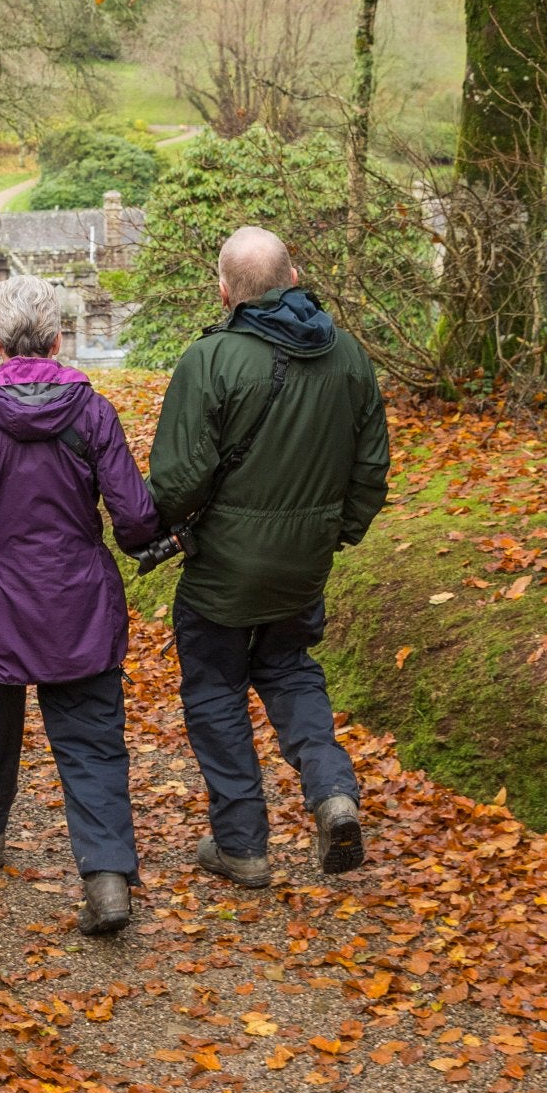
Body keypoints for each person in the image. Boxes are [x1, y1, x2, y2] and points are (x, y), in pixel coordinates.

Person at [0, 275, 161, 935]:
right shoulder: (93, 414)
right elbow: (134, 516)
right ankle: (107, 876)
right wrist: (155, 534)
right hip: (79, 602)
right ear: (57, 340)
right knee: (92, 743)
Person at [146, 226, 389, 889]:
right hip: (303, 566)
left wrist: (153, 528)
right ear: (294, 277)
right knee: (289, 669)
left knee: (214, 690)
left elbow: (178, 481)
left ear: (224, 292)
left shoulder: (210, 360)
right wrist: (333, 534)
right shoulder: (349, 356)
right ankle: (333, 793)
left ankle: (242, 847)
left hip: (221, 571)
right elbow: (371, 469)